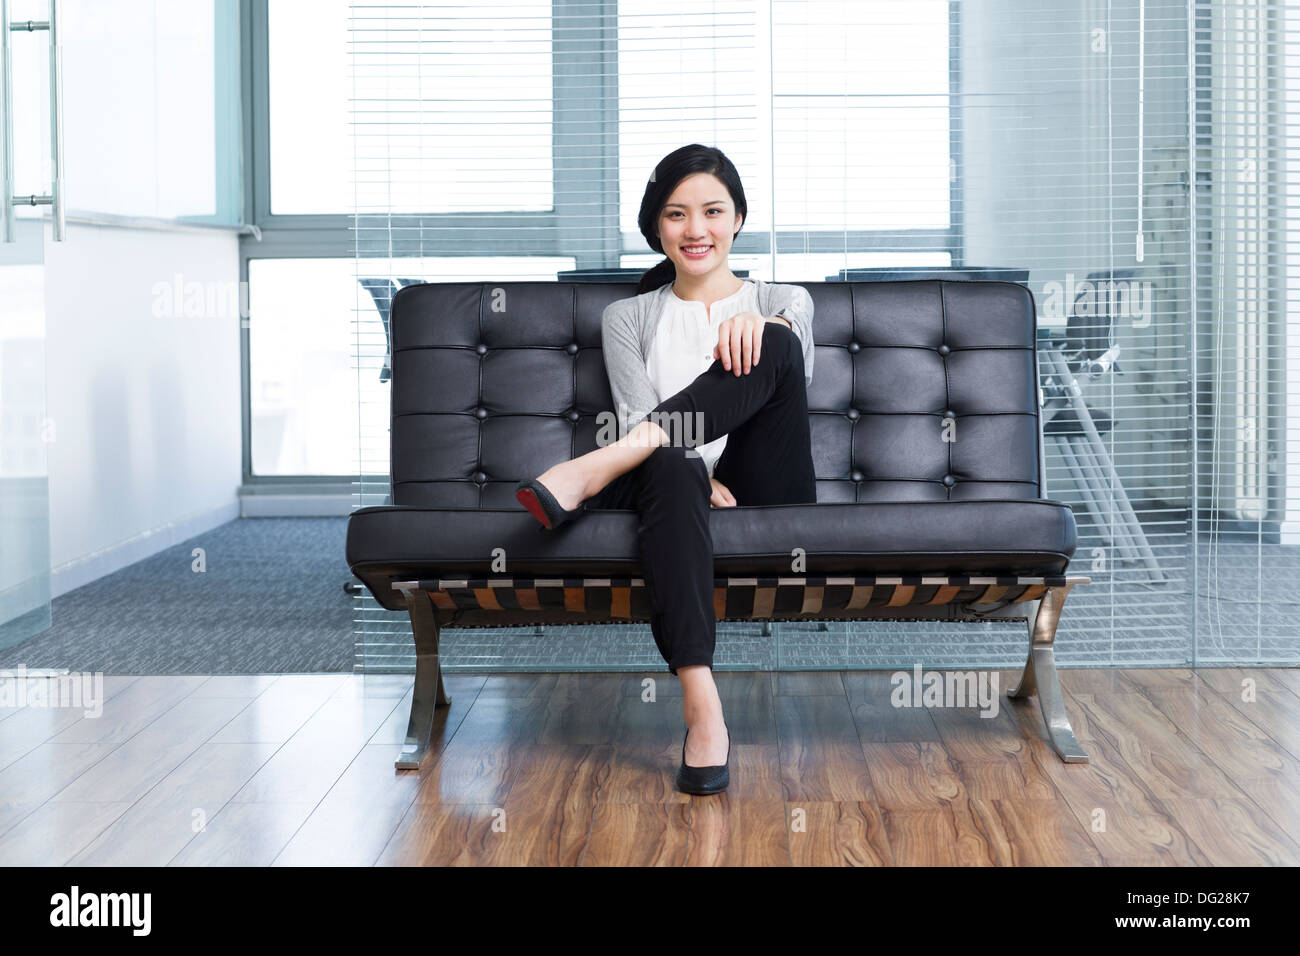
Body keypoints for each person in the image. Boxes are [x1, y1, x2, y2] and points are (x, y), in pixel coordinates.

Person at [514, 143, 817, 795]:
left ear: (738, 219)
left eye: (712, 211)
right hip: (668, 483)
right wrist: (681, 463)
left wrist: (762, 325)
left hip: (763, 479)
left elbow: (793, 366)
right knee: (669, 456)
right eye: (677, 215)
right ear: (657, 227)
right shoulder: (626, 317)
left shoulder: (783, 298)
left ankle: (592, 472)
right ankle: (703, 708)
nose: (696, 230)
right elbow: (636, 413)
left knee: (778, 343)